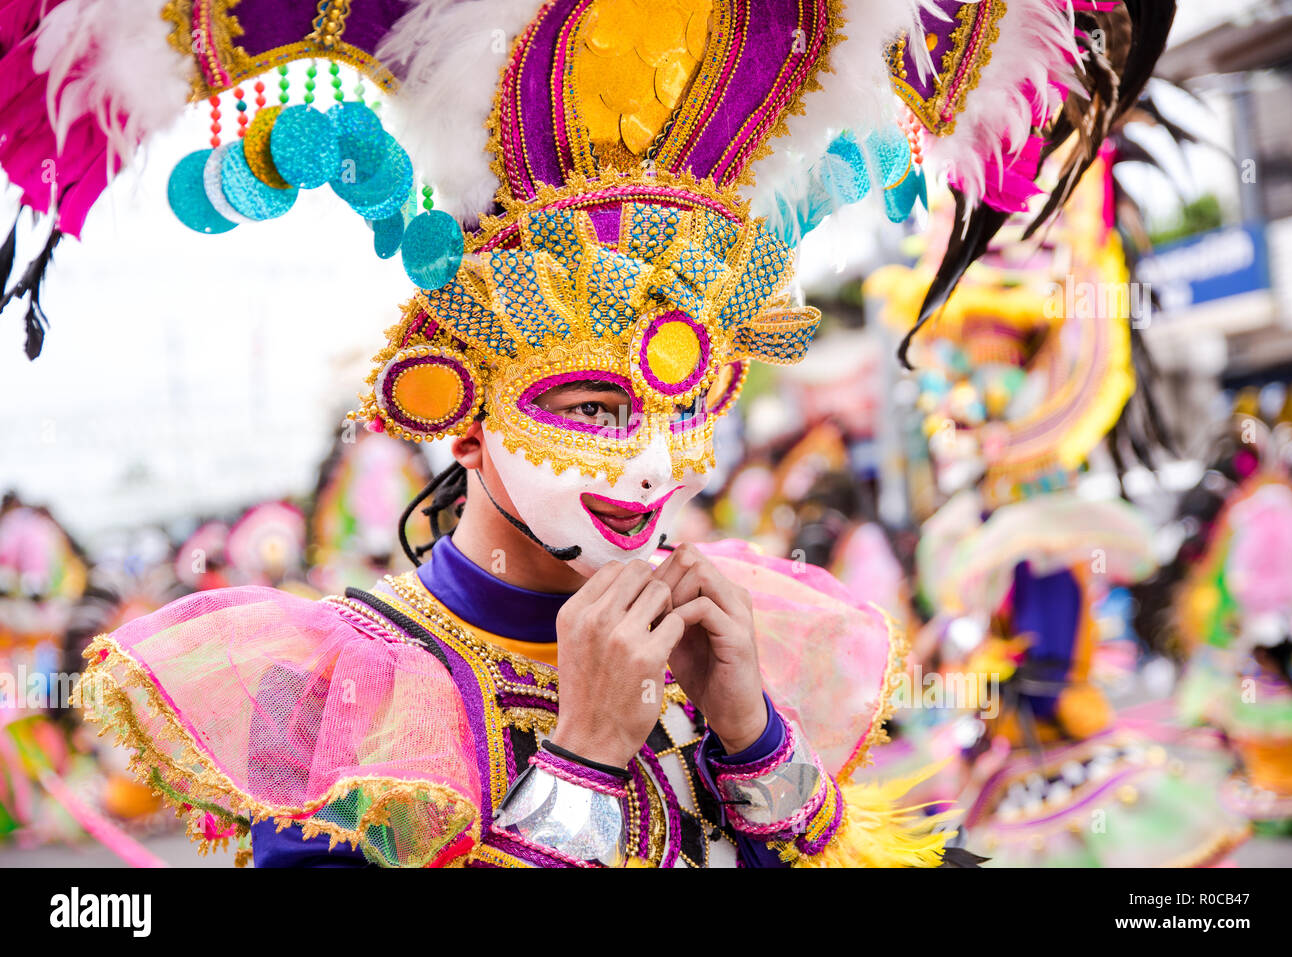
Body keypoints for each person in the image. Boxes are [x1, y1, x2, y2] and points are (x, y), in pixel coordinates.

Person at [32, 0, 1171, 867]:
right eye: (589, 405)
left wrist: (753, 744)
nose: (653, 461)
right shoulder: (320, 687)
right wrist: (576, 764)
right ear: (455, 409)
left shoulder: (750, 630)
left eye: (690, 406)